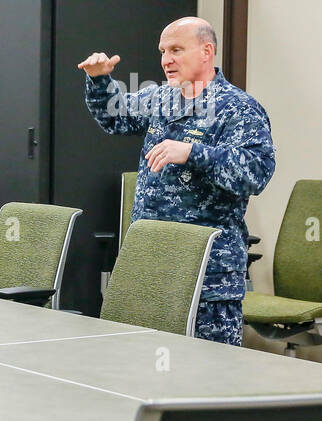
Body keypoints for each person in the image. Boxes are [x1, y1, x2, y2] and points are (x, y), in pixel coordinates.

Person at [80, 16, 275, 345]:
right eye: (162, 51)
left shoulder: (238, 108)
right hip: (153, 265)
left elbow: (255, 173)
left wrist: (194, 153)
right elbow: (116, 117)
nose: (166, 60)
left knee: (208, 380)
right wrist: (100, 81)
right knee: (147, 371)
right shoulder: (162, 99)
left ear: (206, 51)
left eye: (176, 50)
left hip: (206, 277)